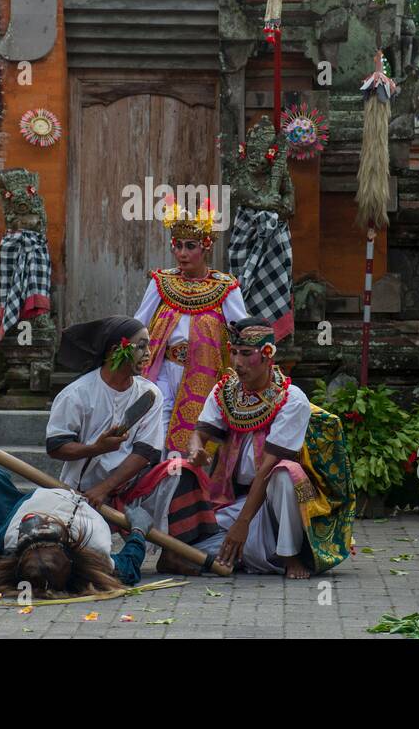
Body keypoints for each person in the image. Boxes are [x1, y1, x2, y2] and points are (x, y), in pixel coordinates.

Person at [185, 316, 353, 579]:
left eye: (246, 354)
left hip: (277, 502)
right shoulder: (225, 391)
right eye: (234, 353)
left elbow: (267, 466)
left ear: (267, 354)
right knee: (189, 542)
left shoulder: (291, 399)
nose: (237, 363)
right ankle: (243, 551)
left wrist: (243, 525)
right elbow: (200, 432)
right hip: (232, 499)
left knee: (285, 473)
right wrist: (196, 450)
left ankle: (289, 554)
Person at [47, 316, 221, 561]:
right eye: (141, 346)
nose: (148, 354)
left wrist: (106, 488)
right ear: (115, 351)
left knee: (182, 470)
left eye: (148, 346)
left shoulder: (149, 393)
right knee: (84, 559)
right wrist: (95, 448)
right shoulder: (76, 394)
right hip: (83, 494)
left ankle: (175, 557)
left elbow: (145, 453)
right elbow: (55, 447)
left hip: (132, 489)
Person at [135, 199, 247, 453]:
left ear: (205, 247)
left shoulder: (225, 288)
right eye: (177, 246)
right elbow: (139, 324)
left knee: (193, 440)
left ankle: (186, 489)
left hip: (204, 372)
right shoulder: (161, 283)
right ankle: (153, 488)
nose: (182, 253)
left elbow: (241, 332)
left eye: (190, 246)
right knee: (155, 434)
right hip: (164, 368)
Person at [0, 468, 153, 597]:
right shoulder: (95, 548)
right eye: (46, 534)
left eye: (33, 537)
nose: (41, 525)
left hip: (17, 511)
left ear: (15, 559)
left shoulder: (5, 547)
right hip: (72, 503)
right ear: (73, 554)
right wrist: (138, 528)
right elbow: (130, 564)